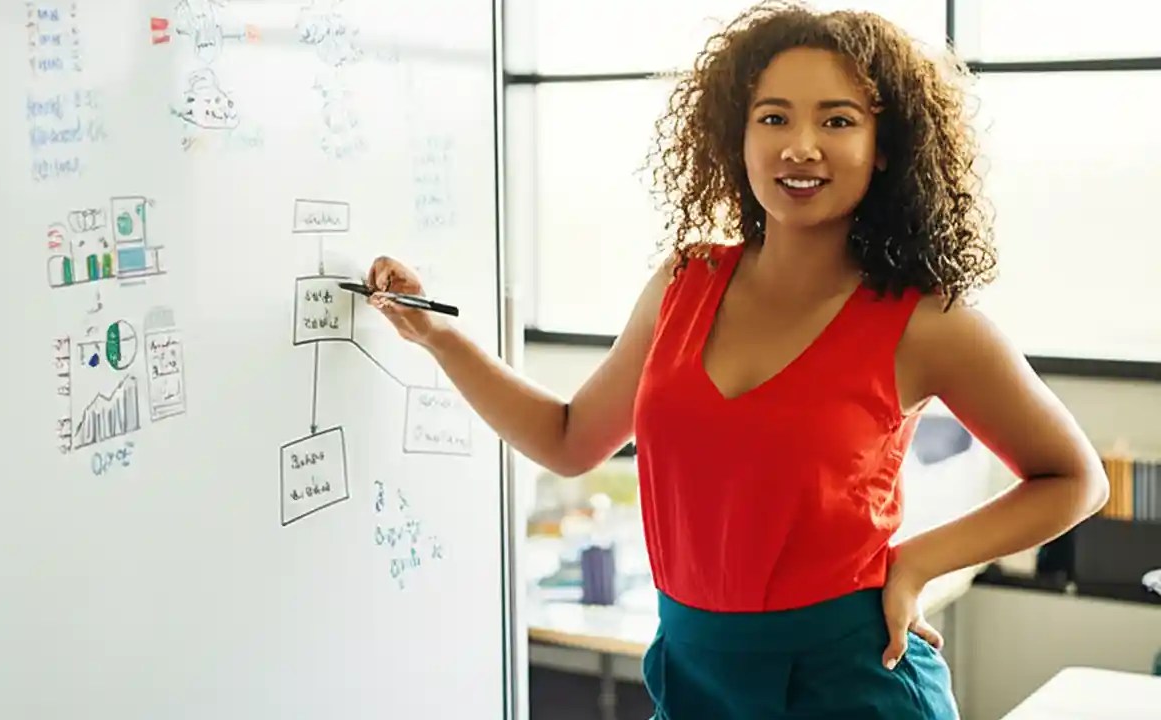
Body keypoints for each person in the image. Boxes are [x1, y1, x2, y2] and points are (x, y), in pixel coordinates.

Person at [365, 1, 1109, 717]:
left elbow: (1074, 479)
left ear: (883, 148)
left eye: (837, 120)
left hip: (850, 680)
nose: (800, 145)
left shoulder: (927, 322)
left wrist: (915, 562)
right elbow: (566, 439)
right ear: (738, 135)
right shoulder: (682, 284)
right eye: (774, 116)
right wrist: (438, 336)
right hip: (694, 678)